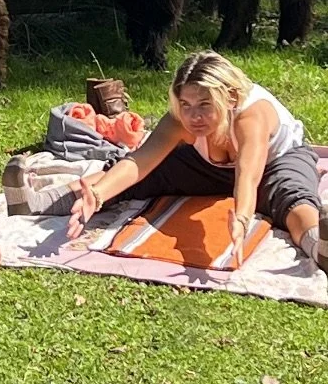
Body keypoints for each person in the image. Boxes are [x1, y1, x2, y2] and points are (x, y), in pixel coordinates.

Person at [67, 49, 328, 273]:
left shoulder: (251, 117)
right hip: (206, 168)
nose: (194, 116)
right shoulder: (181, 120)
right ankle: (48, 200)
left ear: (230, 98)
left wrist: (241, 218)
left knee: (292, 199)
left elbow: (247, 177)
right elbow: (139, 161)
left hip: (275, 164)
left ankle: (320, 245)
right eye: (186, 104)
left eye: (204, 104)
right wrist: (98, 194)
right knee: (132, 175)